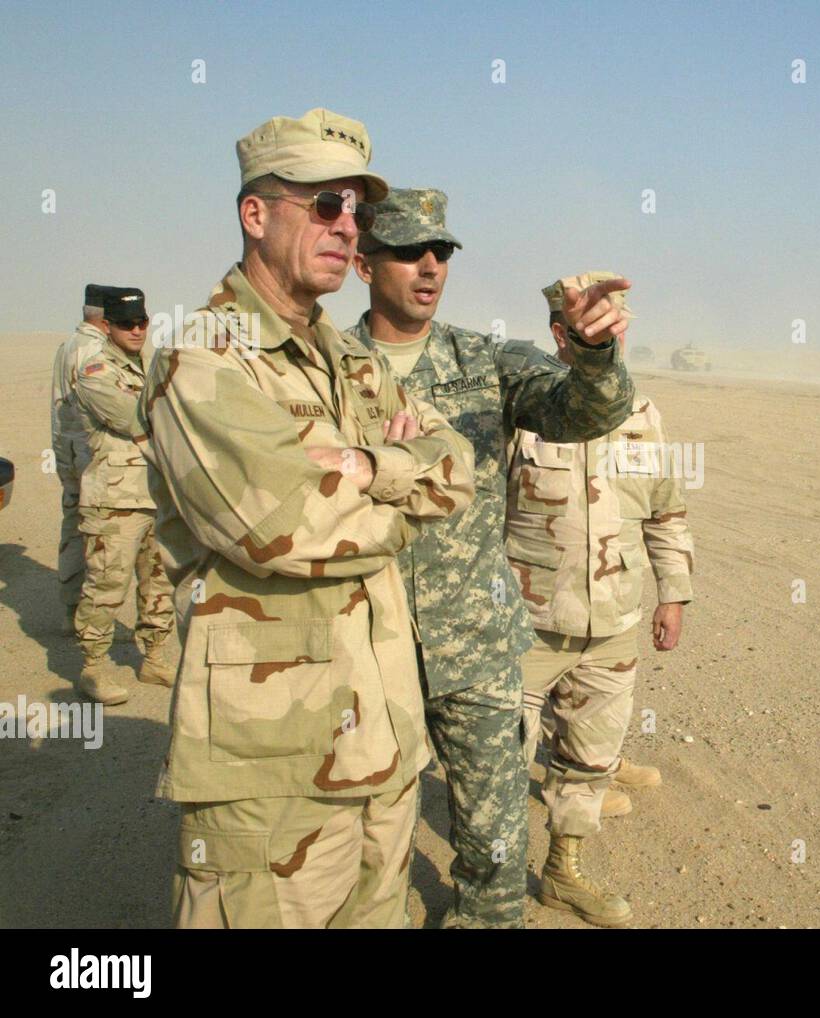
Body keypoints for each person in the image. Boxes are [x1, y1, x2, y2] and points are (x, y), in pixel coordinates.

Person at [140, 109, 476, 929]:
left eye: (357, 211)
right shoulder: (204, 359)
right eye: (325, 205)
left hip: (385, 749)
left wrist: (369, 469)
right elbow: (289, 531)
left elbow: (458, 464)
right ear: (256, 214)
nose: (348, 228)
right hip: (277, 776)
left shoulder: (349, 357)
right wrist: (404, 490)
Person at [346, 188, 636, 927]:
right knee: (360, 835)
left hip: (475, 643)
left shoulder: (484, 358)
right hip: (362, 644)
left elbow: (587, 411)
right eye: (410, 250)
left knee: (493, 839)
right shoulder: (325, 365)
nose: (431, 264)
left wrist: (596, 353)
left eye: (441, 250)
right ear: (360, 263)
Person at [507, 271, 695, 927]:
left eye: (615, 328)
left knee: (587, 762)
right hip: (526, 626)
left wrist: (673, 593)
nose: (608, 339)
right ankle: (491, 887)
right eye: (591, 328)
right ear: (561, 335)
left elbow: (666, 513)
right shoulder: (522, 412)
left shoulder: (641, 414)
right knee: (497, 767)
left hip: (611, 624)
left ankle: (563, 872)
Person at [71, 287, 176, 704]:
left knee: (159, 584)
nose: (136, 331)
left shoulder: (148, 368)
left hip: (155, 494)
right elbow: (138, 418)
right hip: (114, 502)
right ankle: (92, 667)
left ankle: (154, 656)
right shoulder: (94, 372)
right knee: (105, 585)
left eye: (142, 323)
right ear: (107, 326)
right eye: (126, 324)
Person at [51, 284, 110, 632]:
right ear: (105, 319)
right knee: (98, 536)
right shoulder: (94, 349)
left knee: (73, 528)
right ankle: (90, 621)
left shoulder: (67, 346)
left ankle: (71, 611)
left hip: (67, 452)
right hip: (90, 456)